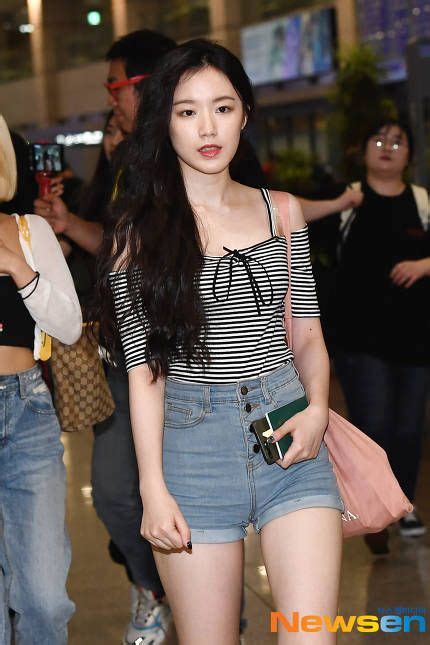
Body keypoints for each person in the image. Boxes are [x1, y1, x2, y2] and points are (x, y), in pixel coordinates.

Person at [99, 39, 344, 645]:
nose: (207, 128)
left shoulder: (282, 212)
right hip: (192, 447)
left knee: (311, 635)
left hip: (288, 429)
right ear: (165, 122)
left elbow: (307, 334)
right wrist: (152, 488)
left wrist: (317, 408)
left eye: (223, 108)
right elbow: (145, 373)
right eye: (187, 111)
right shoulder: (137, 234)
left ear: (245, 115)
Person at [300, 120, 430, 553]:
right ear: (363, 150)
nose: (387, 147)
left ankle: (402, 503)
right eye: (379, 140)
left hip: (416, 341)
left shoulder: (422, 202)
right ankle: (373, 508)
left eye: (397, 141)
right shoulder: (348, 199)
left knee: (408, 430)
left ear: (410, 153)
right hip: (360, 340)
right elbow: (289, 220)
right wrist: (338, 203)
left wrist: (424, 265)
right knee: (374, 426)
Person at [0, 114, 82, 643]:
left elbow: (69, 326)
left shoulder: (31, 231)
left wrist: (18, 268)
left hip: (26, 412)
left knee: (45, 602)